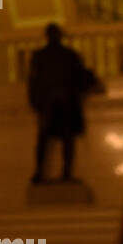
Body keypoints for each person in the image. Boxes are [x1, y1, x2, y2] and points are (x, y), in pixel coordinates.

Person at [28, 22, 101, 183]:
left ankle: (46, 173)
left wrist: (36, 104)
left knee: (52, 140)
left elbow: (33, 84)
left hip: (55, 105)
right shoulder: (67, 55)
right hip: (61, 104)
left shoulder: (47, 56)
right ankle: (57, 172)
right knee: (58, 139)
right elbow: (34, 83)